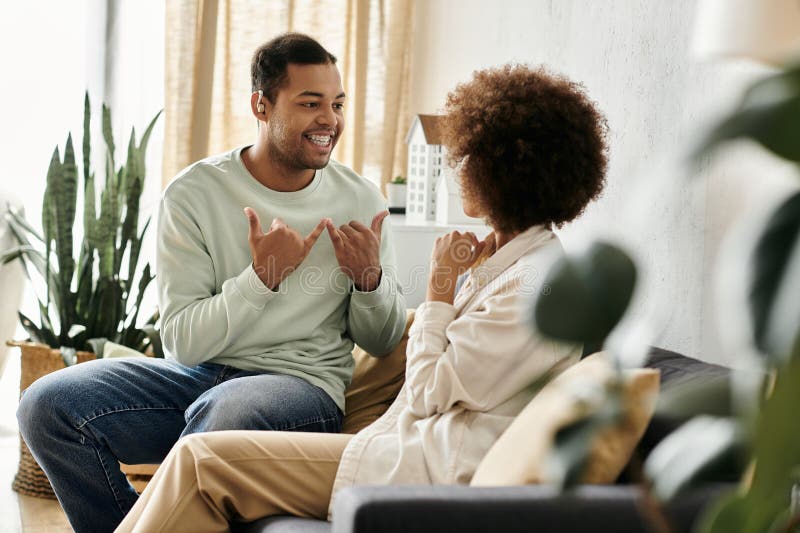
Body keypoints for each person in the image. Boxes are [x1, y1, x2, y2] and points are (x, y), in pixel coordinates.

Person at [113, 63, 609, 532]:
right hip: (399, 449)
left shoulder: (537, 286)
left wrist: (438, 290)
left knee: (203, 460)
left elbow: (428, 390)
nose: (456, 172)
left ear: (505, 173)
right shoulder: (509, 265)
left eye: (467, 159)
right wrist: (460, 283)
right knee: (170, 446)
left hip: (424, 469)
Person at [16, 33, 406, 533]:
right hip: (199, 378)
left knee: (224, 410)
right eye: (310, 104)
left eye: (337, 103)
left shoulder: (360, 199)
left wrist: (369, 280)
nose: (330, 120)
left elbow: (382, 340)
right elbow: (182, 342)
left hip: (303, 390)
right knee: (46, 405)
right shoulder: (194, 193)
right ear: (260, 106)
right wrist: (262, 279)